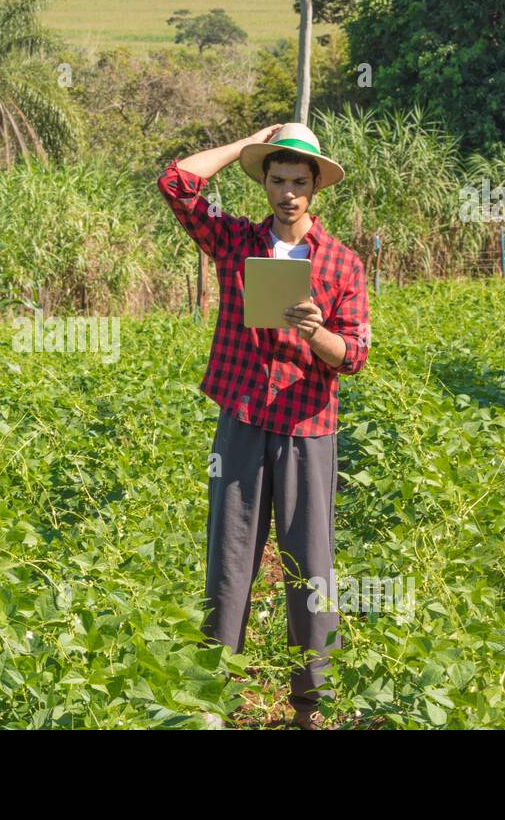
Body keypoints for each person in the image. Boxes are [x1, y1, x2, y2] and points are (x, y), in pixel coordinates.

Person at [156, 123, 371, 730]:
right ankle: (210, 696)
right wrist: (250, 140)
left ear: (315, 188)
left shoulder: (341, 263)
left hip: (309, 427)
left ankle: (313, 705)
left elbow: (353, 355)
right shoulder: (235, 242)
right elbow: (178, 183)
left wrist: (315, 330)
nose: (287, 193)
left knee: (311, 563)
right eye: (276, 179)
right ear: (265, 184)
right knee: (229, 557)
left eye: (299, 182)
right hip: (244, 418)